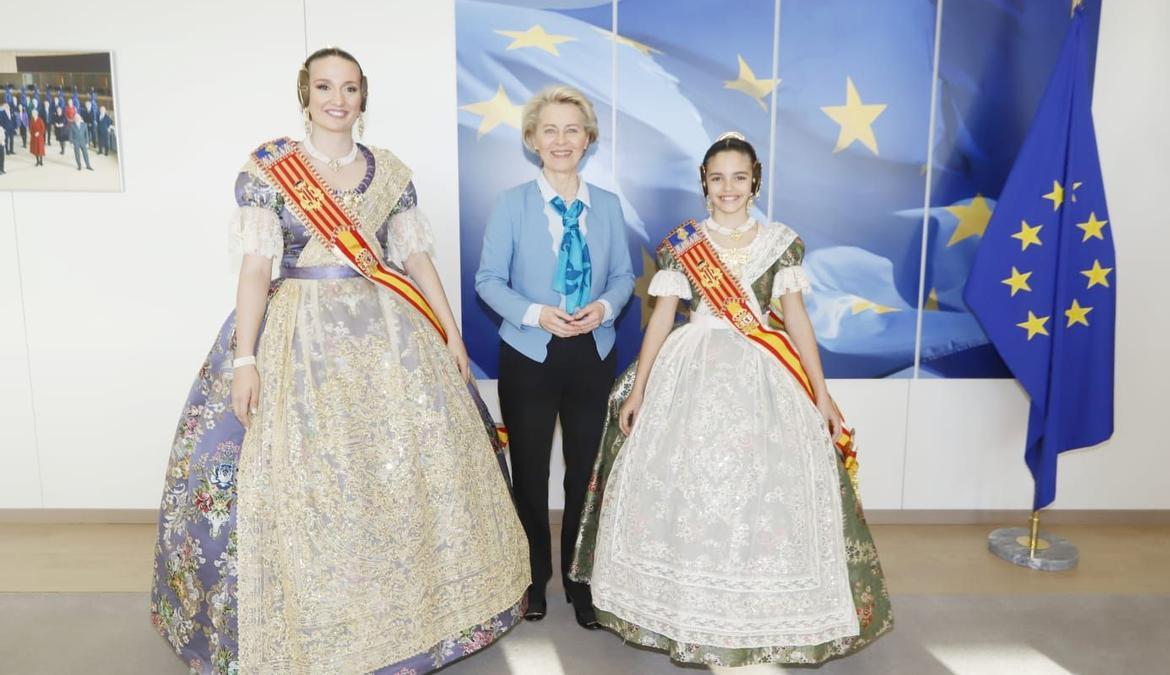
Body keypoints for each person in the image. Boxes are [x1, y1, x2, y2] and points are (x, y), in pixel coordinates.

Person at [151, 47, 529, 675]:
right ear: (306, 95)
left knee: (401, 469)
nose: (338, 98)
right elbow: (254, 272)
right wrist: (245, 360)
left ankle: (413, 616)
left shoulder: (392, 173)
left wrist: (452, 336)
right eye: (325, 86)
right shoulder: (273, 172)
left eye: (349, 88)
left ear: (363, 97)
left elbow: (415, 260)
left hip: (389, 335)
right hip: (298, 335)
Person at [571, 133, 893, 667]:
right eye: (717, 177)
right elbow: (661, 320)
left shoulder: (780, 243)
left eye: (738, 177)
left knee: (766, 488)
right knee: (689, 488)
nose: (728, 187)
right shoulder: (683, 244)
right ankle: (686, 609)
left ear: (755, 181)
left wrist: (822, 393)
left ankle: (760, 611)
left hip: (764, 372)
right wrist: (643, 385)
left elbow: (795, 320)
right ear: (704, 181)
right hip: (690, 366)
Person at [475, 85, 635, 629]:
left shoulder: (608, 206)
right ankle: (534, 577)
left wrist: (606, 308)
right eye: (550, 130)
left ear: (588, 140)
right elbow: (489, 282)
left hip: (593, 353)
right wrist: (536, 314)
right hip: (529, 355)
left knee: (585, 474)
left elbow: (623, 278)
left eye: (572, 129)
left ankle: (579, 578)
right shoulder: (511, 204)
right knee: (530, 472)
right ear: (531, 140)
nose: (561, 140)